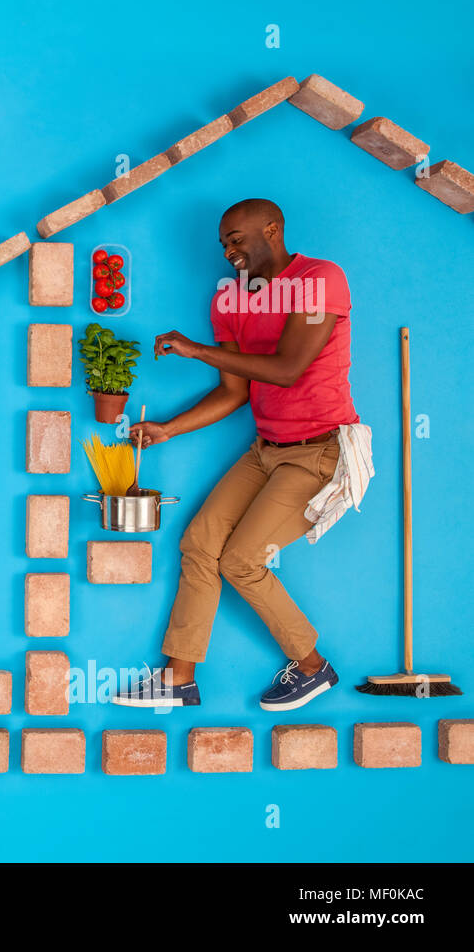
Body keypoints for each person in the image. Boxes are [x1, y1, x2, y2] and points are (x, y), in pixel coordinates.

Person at [112, 198, 371, 712]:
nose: (228, 250)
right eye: (223, 242)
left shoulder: (321, 280)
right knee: (199, 541)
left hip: (320, 451)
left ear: (272, 229)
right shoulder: (230, 301)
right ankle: (177, 679)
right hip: (266, 449)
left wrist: (197, 350)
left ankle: (314, 667)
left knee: (241, 560)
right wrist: (169, 429)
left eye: (236, 238)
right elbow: (235, 392)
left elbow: (287, 368)